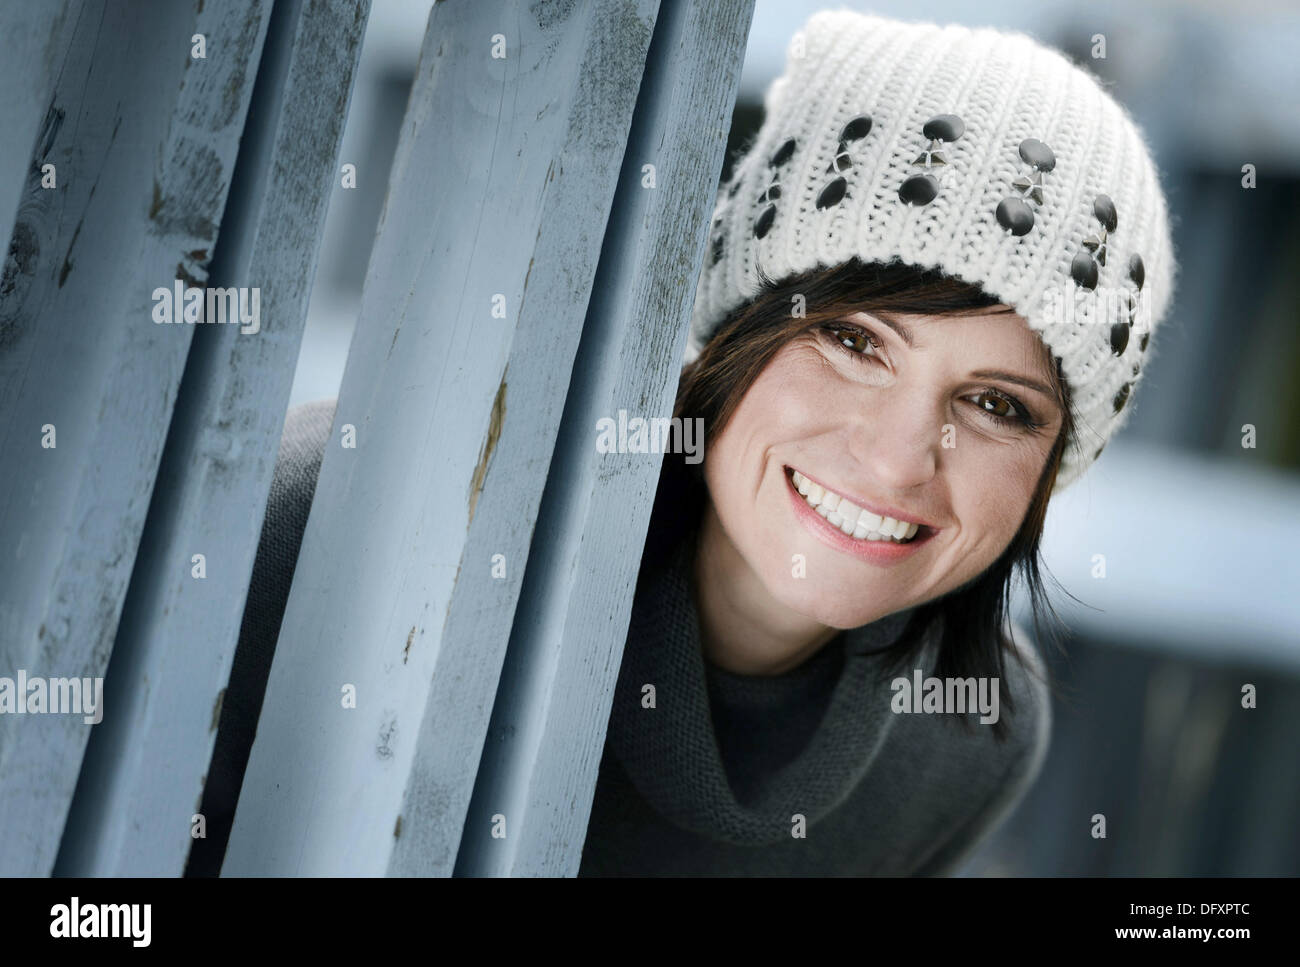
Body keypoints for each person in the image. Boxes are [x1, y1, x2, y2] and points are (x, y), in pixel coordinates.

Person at [195, 10, 1174, 876]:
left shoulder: (968, 741)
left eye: (999, 405)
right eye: (851, 340)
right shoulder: (332, 533)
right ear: (735, 332)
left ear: (1054, 465)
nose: (896, 457)